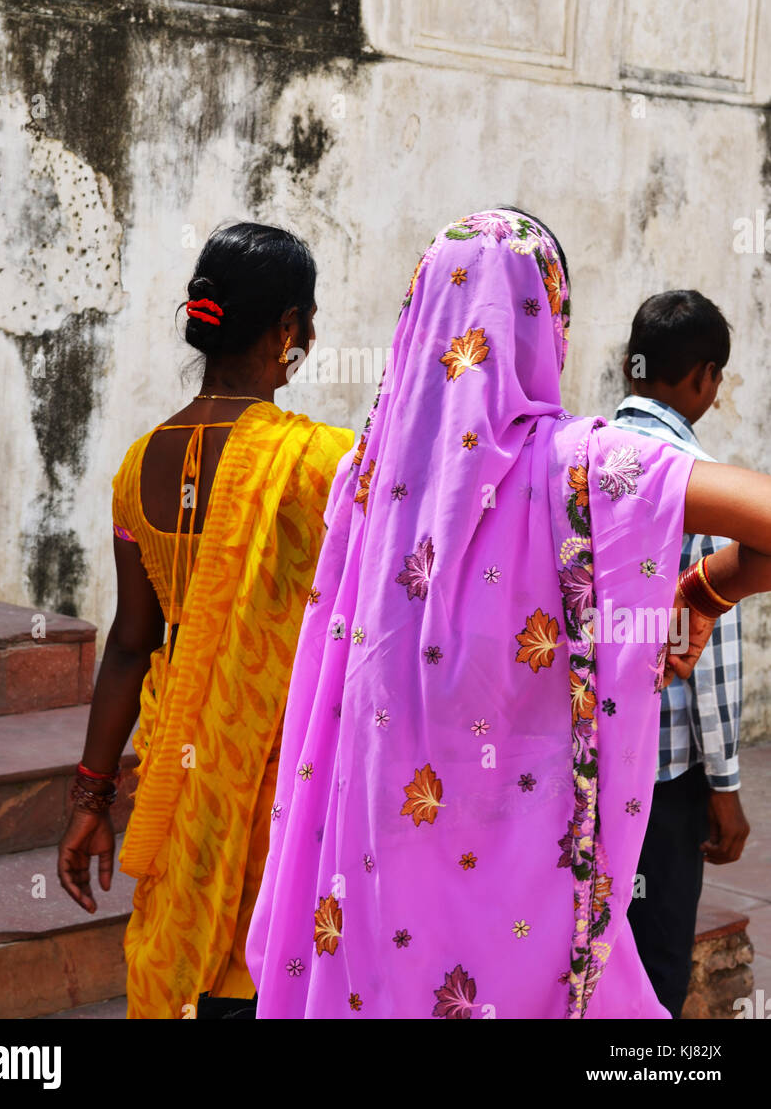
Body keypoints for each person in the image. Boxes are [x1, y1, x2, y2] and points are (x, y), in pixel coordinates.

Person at [246, 208, 771, 1019]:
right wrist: (705, 590)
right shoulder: (586, 467)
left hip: (382, 860)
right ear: (548, 325)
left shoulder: (366, 476)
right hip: (525, 863)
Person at [56, 221, 353, 1020]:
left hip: (174, 764)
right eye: (308, 322)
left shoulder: (136, 463)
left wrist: (90, 799)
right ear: (287, 327)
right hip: (277, 762)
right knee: (265, 971)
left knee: (185, 964)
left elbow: (129, 644)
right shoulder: (324, 463)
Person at [615, 291, 748, 1018]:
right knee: (659, 952)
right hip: (663, 770)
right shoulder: (692, 478)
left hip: (582, 757)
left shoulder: (579, 456)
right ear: (700, 376)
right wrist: (723, 788)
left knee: (591, 943)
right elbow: (710, 661)